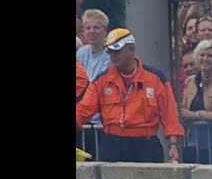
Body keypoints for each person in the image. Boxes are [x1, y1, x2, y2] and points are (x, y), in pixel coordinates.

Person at [75, 28, 184, 164]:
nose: (113, 56)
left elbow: (170, 115)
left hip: (145, 146)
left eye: (117, 51)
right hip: (112, 145)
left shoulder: (156, 79)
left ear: (131, 49)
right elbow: (82, 111)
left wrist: (173, 145)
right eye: (110, 51)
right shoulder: (101, 81)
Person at [180, 39, 212, 164]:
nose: (205, 59)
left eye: (210, 55)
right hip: (192, 141)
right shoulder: (190, 81)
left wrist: (196, 115)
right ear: (196, 57)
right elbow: (184, 110)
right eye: (202, 55)